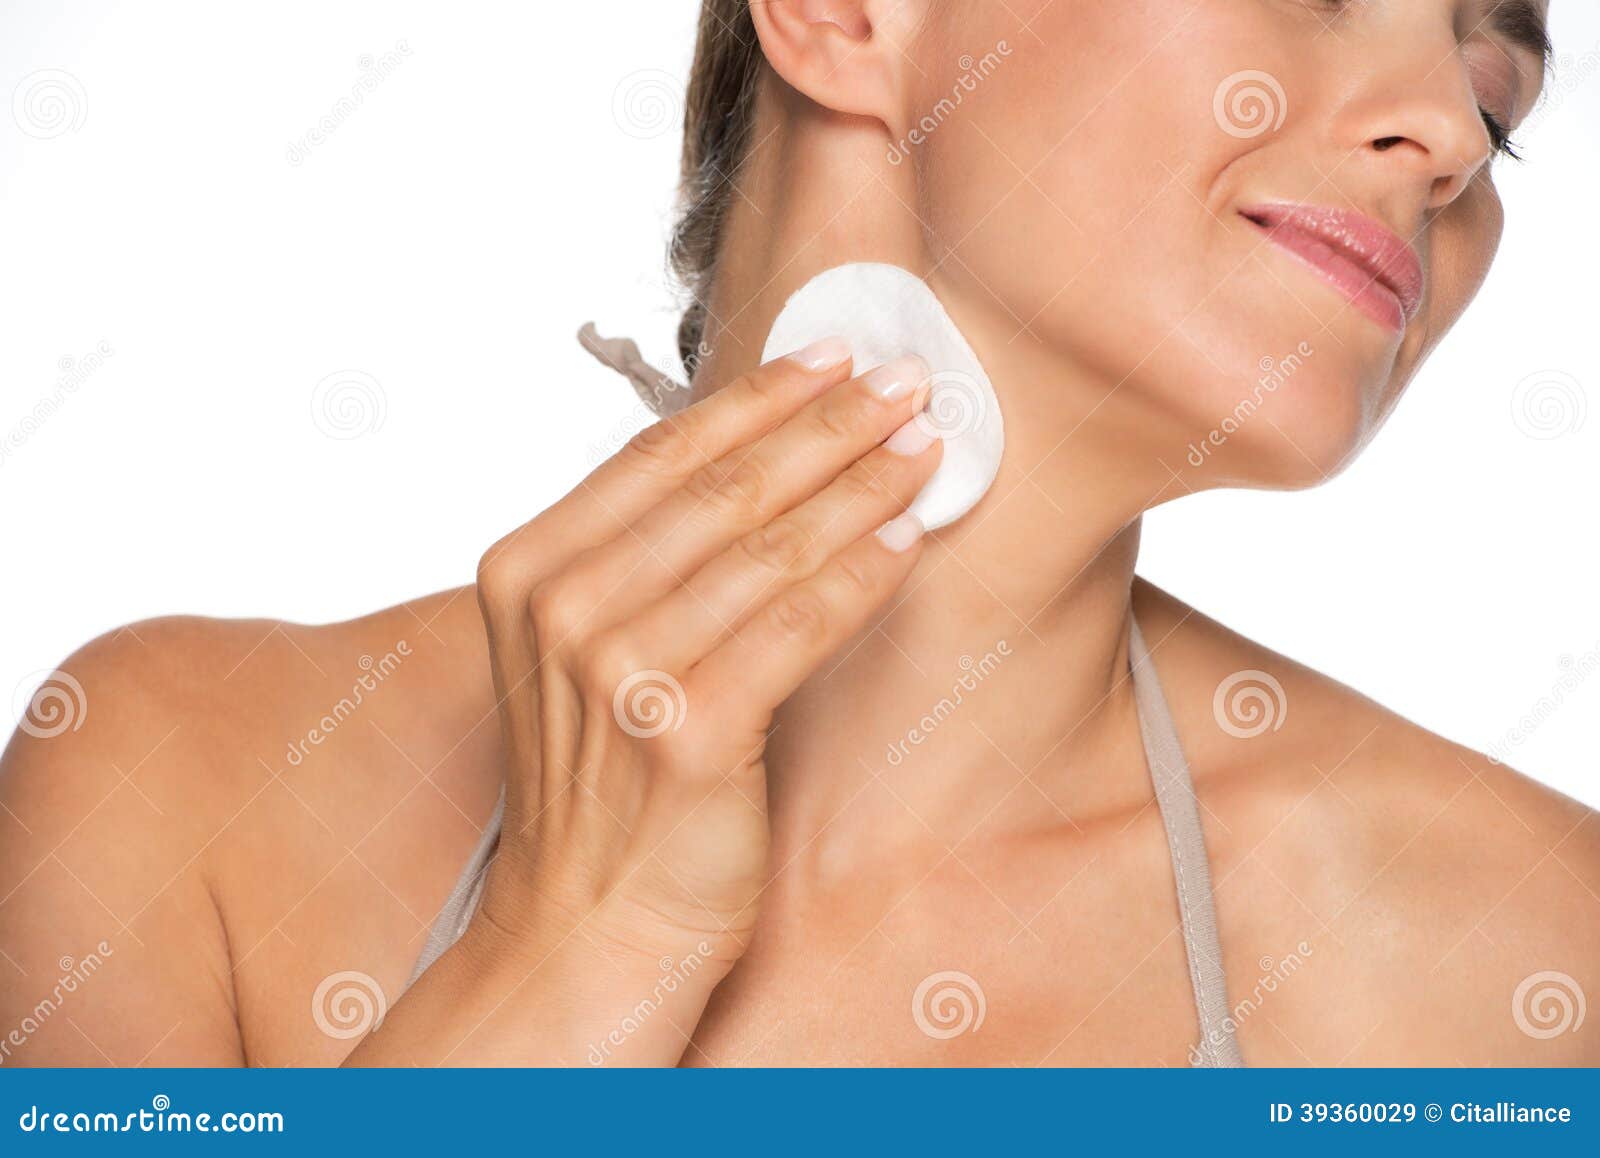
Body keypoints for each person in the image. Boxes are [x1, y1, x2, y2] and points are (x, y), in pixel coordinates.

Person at [2, 0, 1594, 1067]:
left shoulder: (1529, 960)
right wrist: (569, 954)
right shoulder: (172, 788)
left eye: (1498, 99)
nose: (1447, 129)